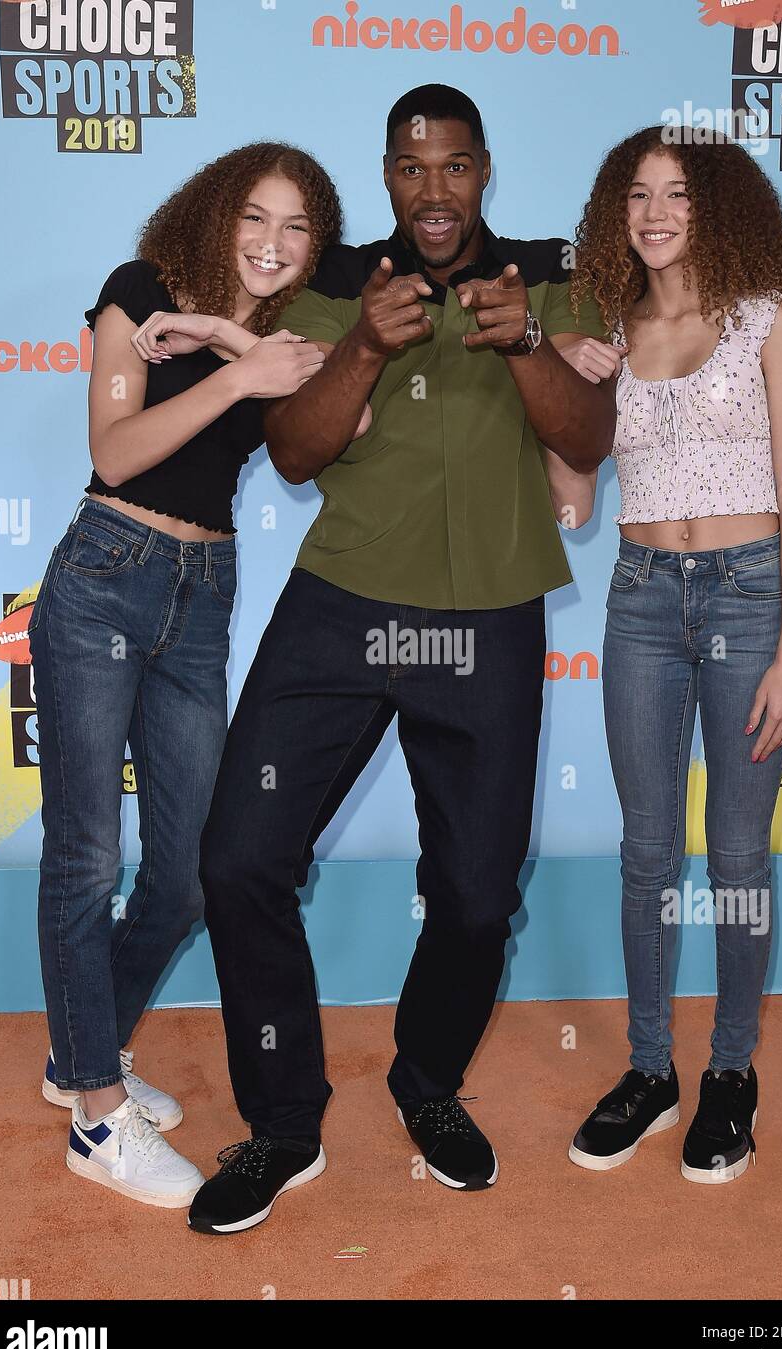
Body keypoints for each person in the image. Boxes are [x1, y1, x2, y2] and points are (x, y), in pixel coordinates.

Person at [187, 84, 615, 1236]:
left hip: (486, 617)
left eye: (454, 166)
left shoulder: (544, 273)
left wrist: (524, 339)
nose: (434, 190)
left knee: (476, 896)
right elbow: (293, 450)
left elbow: (584, 436)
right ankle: (283, 1122)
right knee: (236, 858)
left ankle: (424, 1084)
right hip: (342, 610)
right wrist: (363, 351)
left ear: (485, 168)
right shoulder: (337, 287)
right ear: (386, 176)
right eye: (411, 169)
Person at [29, 142, 348, 1208]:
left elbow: (310, 392)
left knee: (188, 870)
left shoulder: (290, 337)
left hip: (203, 593)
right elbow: (116, 451)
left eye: (297, 227)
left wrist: (227, 343)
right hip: (106, 568)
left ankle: (81, 1047)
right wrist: (235, 372)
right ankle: (93, 1115)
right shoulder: (136, 291)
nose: (273, 242)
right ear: (217, 212)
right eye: (257, 216)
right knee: (84, 856)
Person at [550, 125, 782, 1184]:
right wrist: (561, 398)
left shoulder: (768, 317)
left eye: (677, 194)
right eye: (638, 195)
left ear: (716, 208)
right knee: (647, 853)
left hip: (752, 595)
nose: (654, 212)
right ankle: (649, 1069)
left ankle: (731, 1076)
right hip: (641, 599)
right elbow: (574, 506)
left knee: (739, 858)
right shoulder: (606, 328)